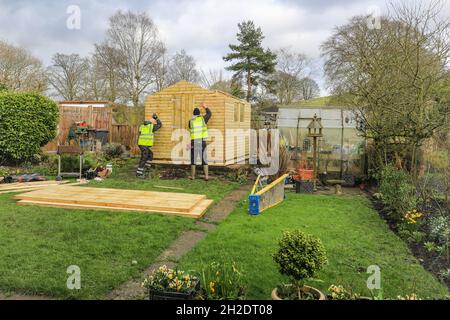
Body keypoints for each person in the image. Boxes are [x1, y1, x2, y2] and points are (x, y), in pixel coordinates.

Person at [189, 102, 212, 181]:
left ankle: (192, 176)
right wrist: (205, 107)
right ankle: (206, 177)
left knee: (193, 159)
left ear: (193, 114)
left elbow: (190, 129)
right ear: (199, 114)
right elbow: (209, 114)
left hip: (194, 142)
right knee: (204, 158)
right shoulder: (203, 119)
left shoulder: (191, 121)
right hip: (202, 142)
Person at [136, 113, 162, 178]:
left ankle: (147, 168)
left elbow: (140, 134)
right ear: (150, 123)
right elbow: (159, 125)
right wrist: (156, 118)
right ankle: (139, 173)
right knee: (144, 158)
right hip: (144, 145)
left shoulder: (142, 126)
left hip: (142, 144)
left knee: (150, 154)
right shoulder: (151, 127)